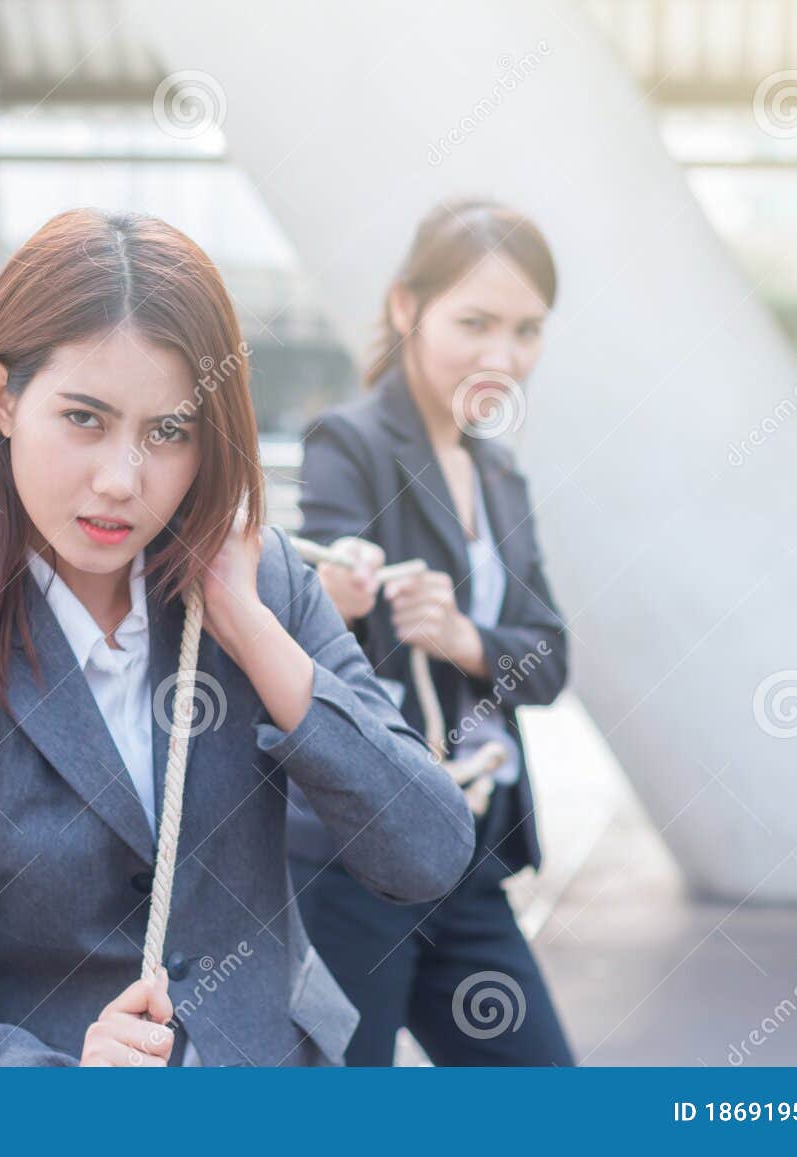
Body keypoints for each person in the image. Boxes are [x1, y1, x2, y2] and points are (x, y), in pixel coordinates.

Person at [0, 208, 474, 1067]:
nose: (122, 480)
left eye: (168, 433)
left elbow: (426, 852)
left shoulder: (261, 583)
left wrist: (250, 627)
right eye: (85, 418)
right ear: (5, 397)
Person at [288, 199, 574, 1066]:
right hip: (359, 852)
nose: (504, 355)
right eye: (476, 322)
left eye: (526, 330)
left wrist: (461, 636)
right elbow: (322, 614)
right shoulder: (351, 441)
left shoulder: (500, 474)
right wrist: (336, 591)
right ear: (407, 308)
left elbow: (553, 660)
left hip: (466, 848)